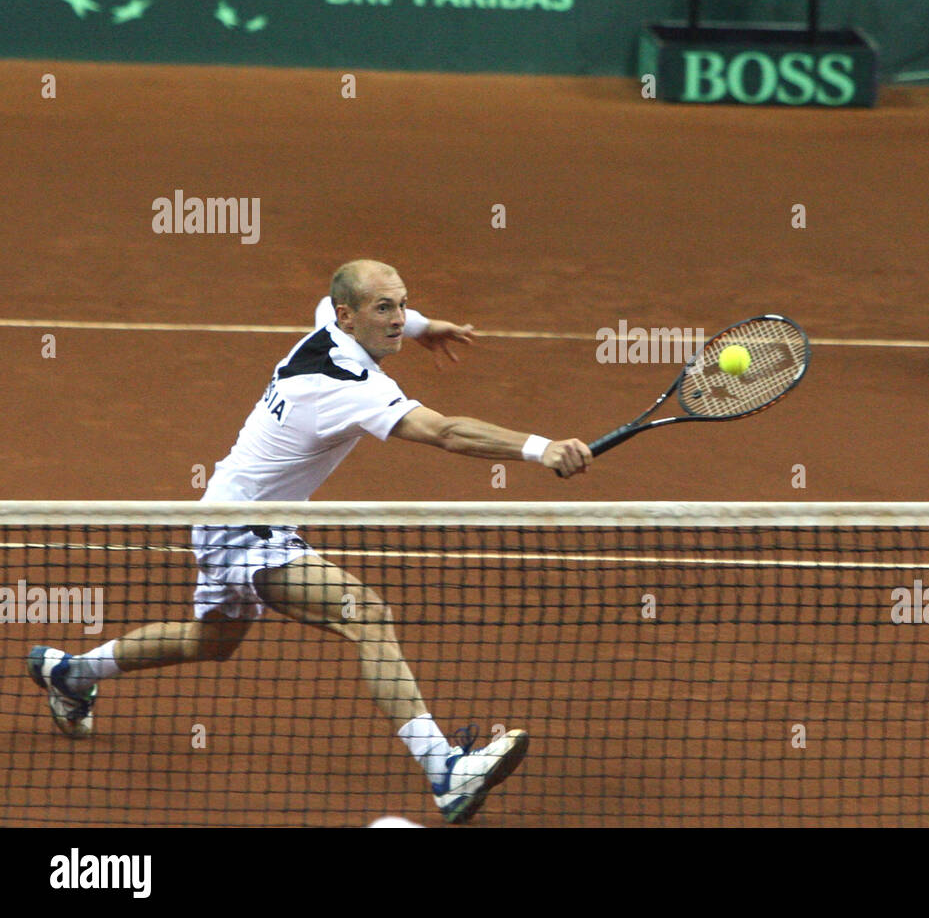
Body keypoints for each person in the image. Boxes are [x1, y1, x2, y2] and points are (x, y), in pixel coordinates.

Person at [27, 259, 592, 824]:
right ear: (348, 317)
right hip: (244, 527)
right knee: (364, 613)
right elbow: (444, 431)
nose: (397, 317)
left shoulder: (328, 321)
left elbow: (378, 312)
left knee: (212, 641)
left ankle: (70, 675)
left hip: (228, 508)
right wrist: (540, 448)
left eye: (401, 304)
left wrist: (424, 327)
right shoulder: (345, 386)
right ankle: (444, 771)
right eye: (384, 309)